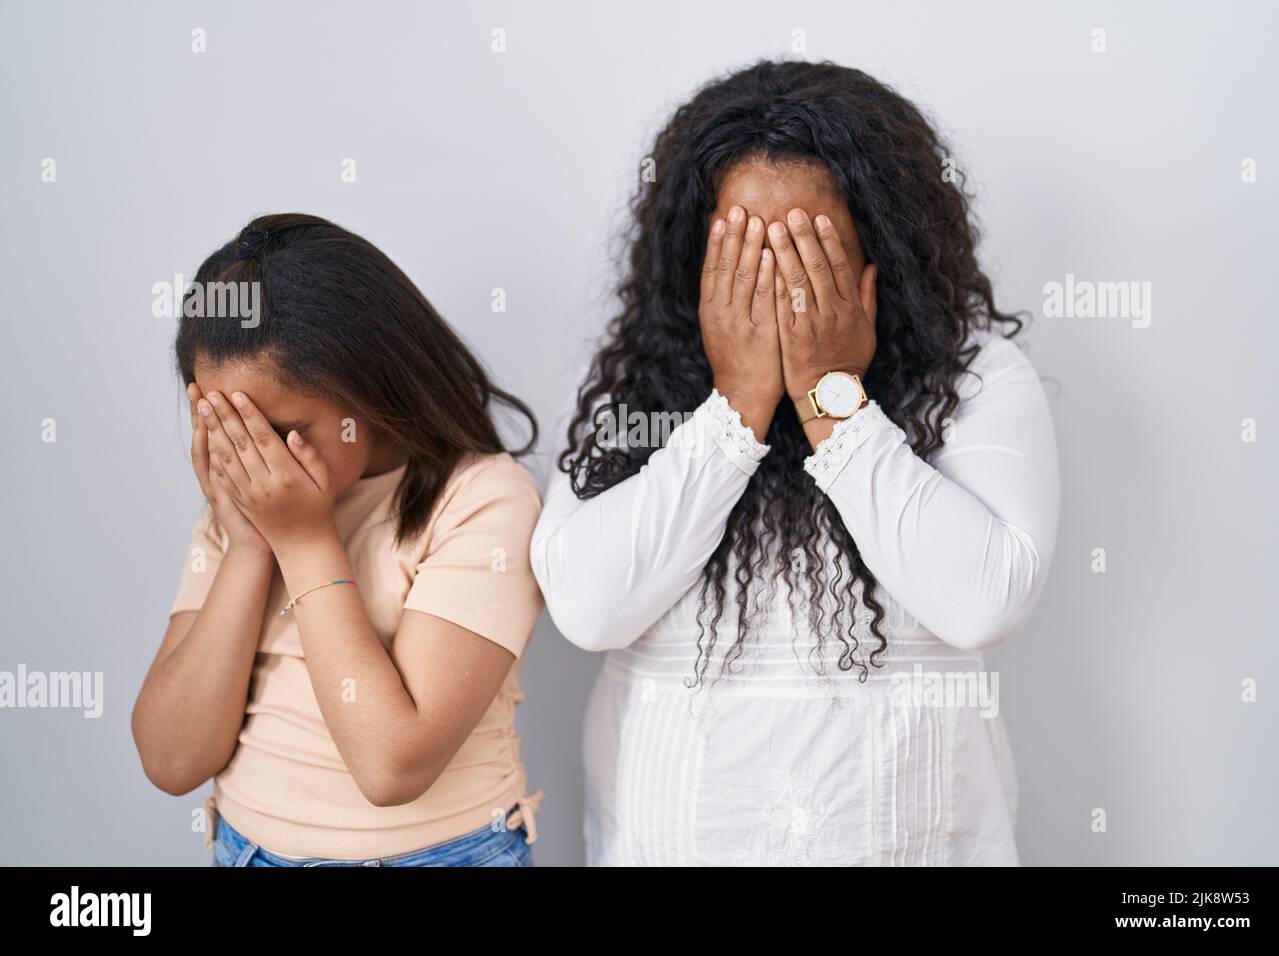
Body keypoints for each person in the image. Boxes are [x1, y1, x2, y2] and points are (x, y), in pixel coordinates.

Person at [530, 60, 1060, 865]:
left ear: (882, 253)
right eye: (743, 250)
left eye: (809, 251)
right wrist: (737, 407)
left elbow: (983, 602)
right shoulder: (631, 379)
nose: (777, 283)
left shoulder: (977, 375)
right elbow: (588, 607)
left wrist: (831, 398)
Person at [133, 214, 545, 867]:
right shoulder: (248, 505)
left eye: (277, 428)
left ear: (368, 387)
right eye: (228, 429)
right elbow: (172, 758)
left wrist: (302, 541)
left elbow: (391, 768)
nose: (252, 459)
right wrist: (248, 548)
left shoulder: (486, 500)